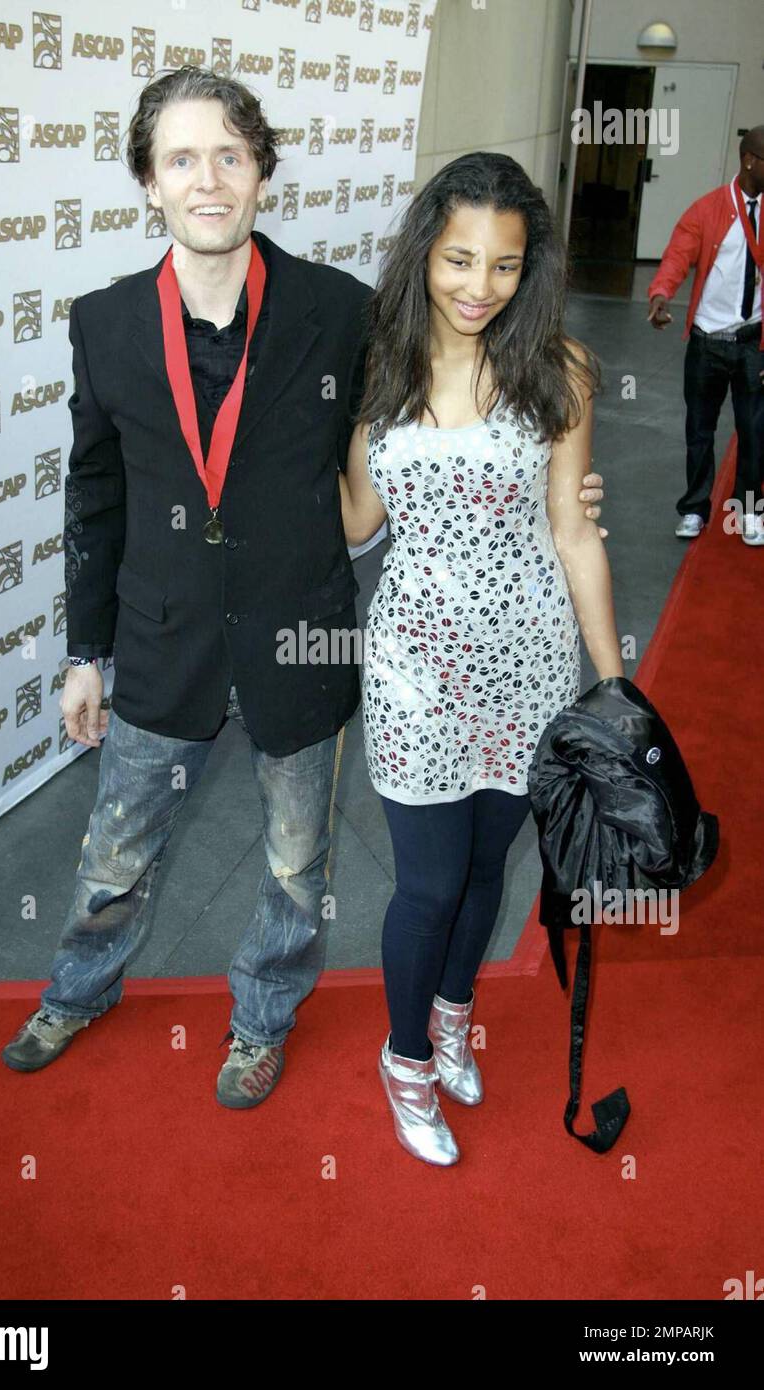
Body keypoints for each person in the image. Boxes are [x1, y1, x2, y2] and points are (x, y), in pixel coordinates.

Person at [1, 68, 606, 1110]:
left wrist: (552, 478)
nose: (207, 180)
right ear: (147, 182)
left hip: (304, 639)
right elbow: (92, 495)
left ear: (263, 174)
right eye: (181, 158)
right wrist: (85, 652)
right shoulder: (101, 324)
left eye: (230, 156)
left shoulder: (339, 311)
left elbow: (428, 418)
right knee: (116, 851)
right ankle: (77, 987)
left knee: (295, 867)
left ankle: (262, 1020)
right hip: (162, 638)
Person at [338, 151, 625, 1166]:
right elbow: (358, 523)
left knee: (487, 867)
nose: (478, 286)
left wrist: (612, 684)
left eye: (504, 265)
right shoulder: (379, 367)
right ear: (426, 253)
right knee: (427, 881)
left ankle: (454, 1014)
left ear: (528, 268)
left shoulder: (561, 371)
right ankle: (406, 1057)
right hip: (417, 665)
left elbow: (574, 532)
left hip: (532, 663)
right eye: (459, 259)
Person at [648, 126, 764, 546]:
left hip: (755, 343)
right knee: (700, 430)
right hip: (708, 343)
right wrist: (661, 294)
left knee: (756, 433)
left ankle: (749, 512)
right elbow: (678, 255)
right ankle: (695, 508)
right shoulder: (708, 210)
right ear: (749, 160)